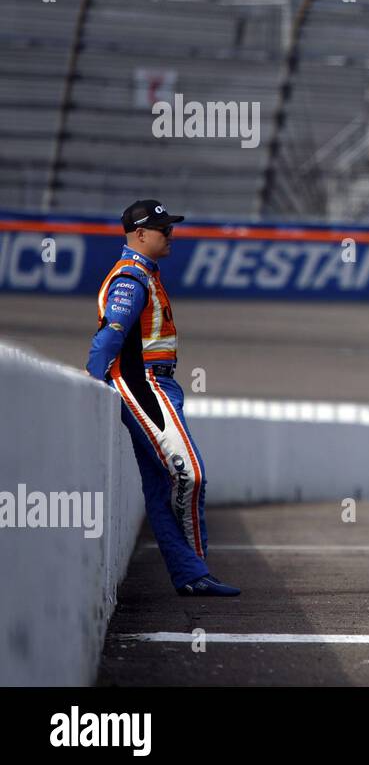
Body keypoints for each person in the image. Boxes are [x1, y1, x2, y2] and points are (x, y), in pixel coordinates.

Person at [85, 200, 240, 597]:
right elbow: (110, 336)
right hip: (144, 385)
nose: (171, 234)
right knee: (190, 474)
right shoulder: (131, 278)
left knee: (159, 487)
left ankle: (190, 575)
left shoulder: (144, 274)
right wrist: (93, 381)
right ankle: (197, 568)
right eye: (163, 229)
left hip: (156, 384)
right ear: (139, 234)